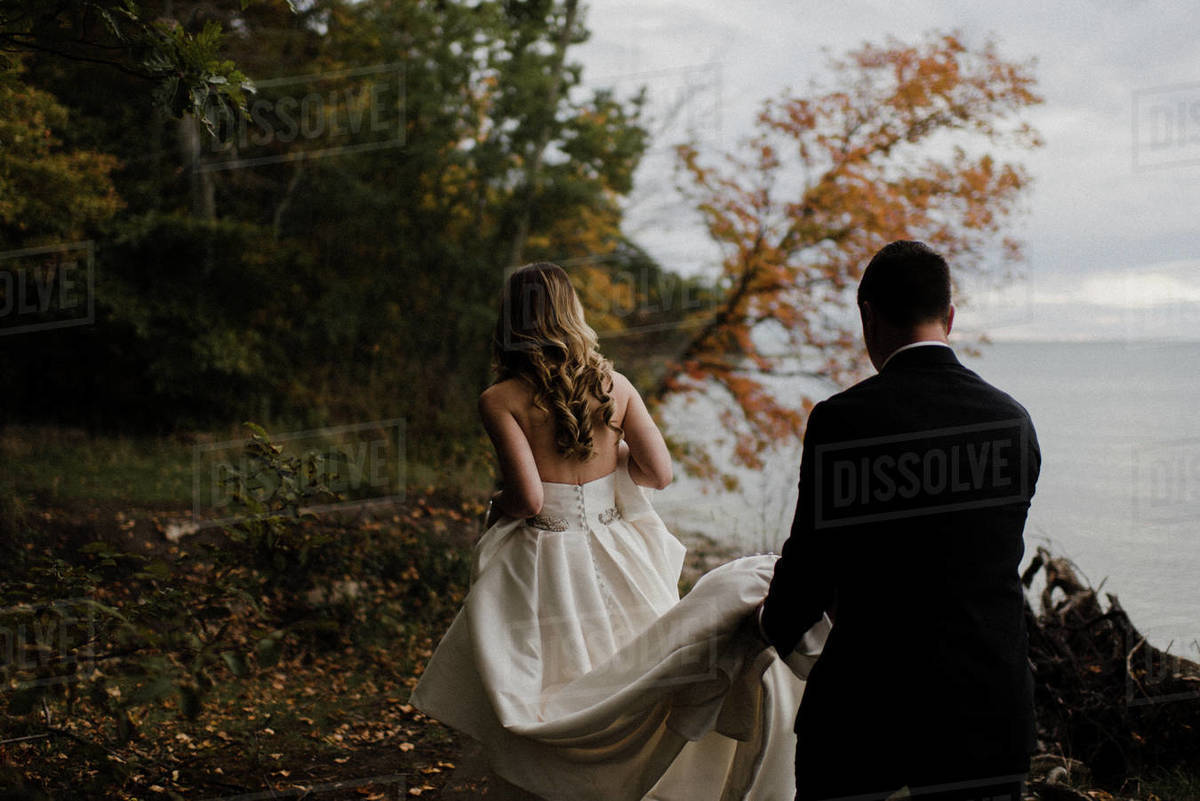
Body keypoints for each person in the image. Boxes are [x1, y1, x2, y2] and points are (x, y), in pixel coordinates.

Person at [410, 262, 829, 801]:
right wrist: (611, 455)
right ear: (572, 313)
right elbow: (659, 473)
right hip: (618, 553)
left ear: (510, 322)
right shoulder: (616, 386)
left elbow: (529, 499)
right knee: (639, 677)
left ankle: (563, 783)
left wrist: (496, 504)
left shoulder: (500, 399)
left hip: (546, 562)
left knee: (551, 683)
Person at [756, 240, 1041, 801]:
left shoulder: (842, 421)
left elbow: (810, 565)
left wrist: (771, 624)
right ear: (950, 318)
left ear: (869, 317)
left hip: (866, 711)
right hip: (987, 705)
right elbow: (986, 554)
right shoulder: (1013, 422)